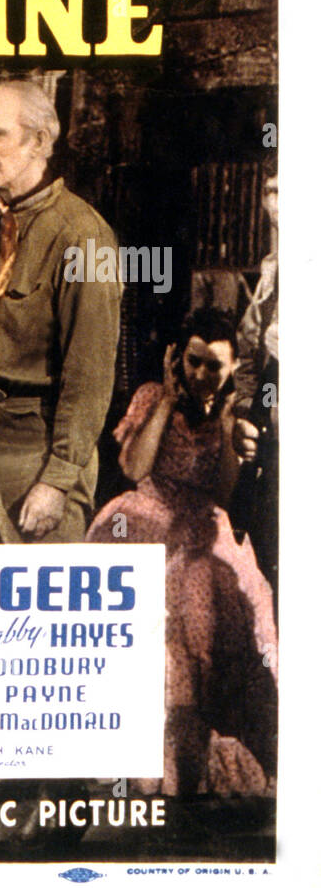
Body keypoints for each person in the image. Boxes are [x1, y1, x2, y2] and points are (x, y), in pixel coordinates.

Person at [87, 309, 278, 796]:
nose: (200, 375)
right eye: (193, 362)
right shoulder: (154, 396)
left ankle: (191, 768)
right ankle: (133, 762)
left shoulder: (233, 416)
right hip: (147, 510)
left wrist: (232, 428)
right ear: (179, 359)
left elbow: (224, 494)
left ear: (232, 368)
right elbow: (133, 467)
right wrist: (168, 399)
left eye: (213, 366)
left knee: (213, 612)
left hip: (201, 522)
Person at [0, 79, 121, 544]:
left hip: (36, 452)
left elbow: (91, 372)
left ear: (39, 141)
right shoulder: (1, 220)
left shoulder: (83, 236)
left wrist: (58, 479)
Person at [232, 172, 279, 597]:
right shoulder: (270, 270)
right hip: (271, 448)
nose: (280, 205)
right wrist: (246, 413)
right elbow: (249, 357)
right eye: (272, 192)